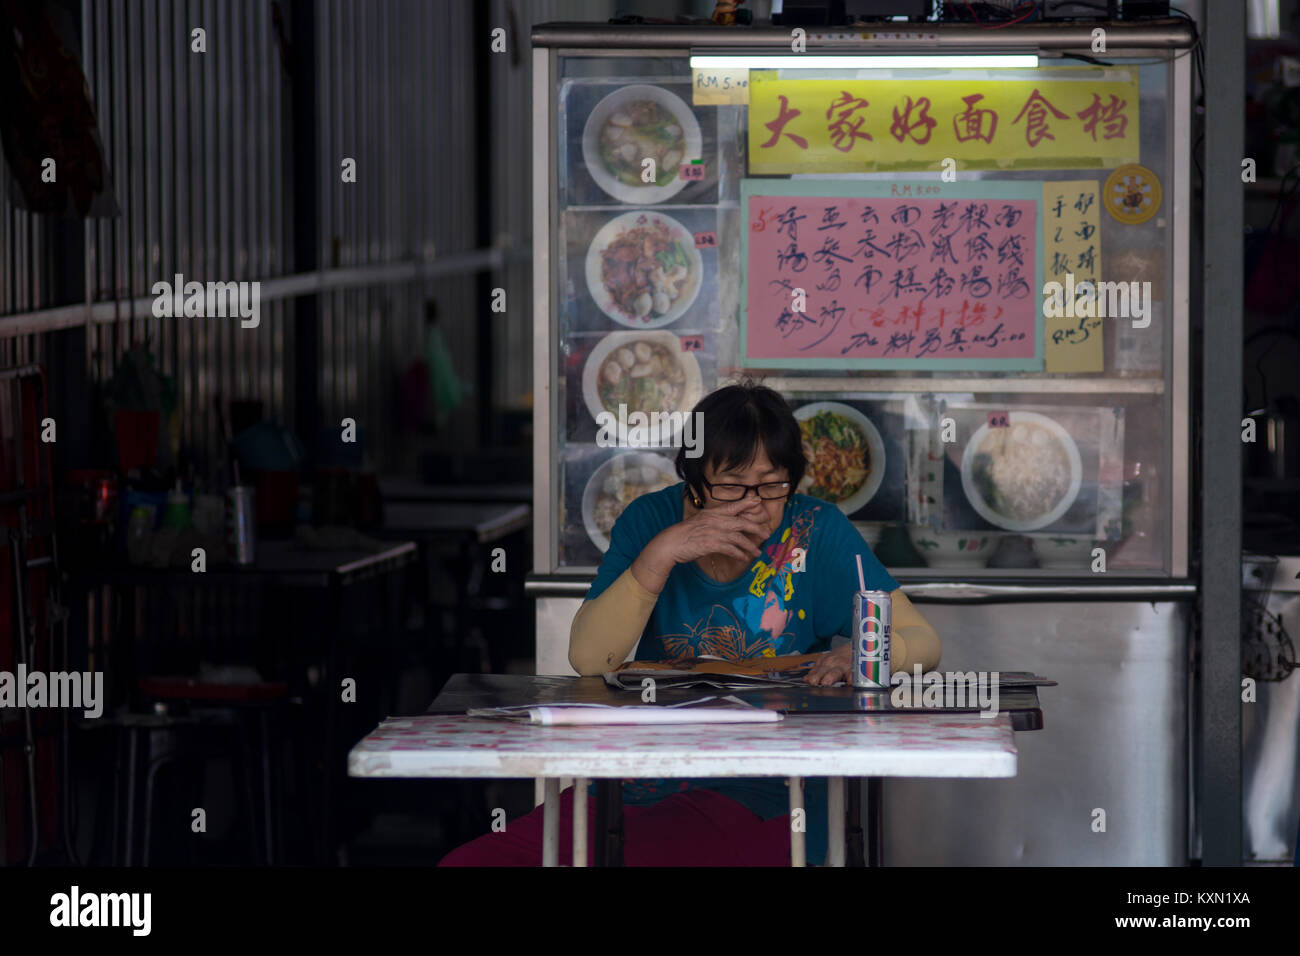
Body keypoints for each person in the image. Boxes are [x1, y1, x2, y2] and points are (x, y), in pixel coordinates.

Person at [440, 382, 941, 866]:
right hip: (635, 777)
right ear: (694, 480)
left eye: (772, 485)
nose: (753, 504)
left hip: (768, 788)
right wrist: (664, 553)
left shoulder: (816, 530)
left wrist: (866, 654)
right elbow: (591, 659)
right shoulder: (649, 522)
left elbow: (923, 640)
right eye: (730, 486)